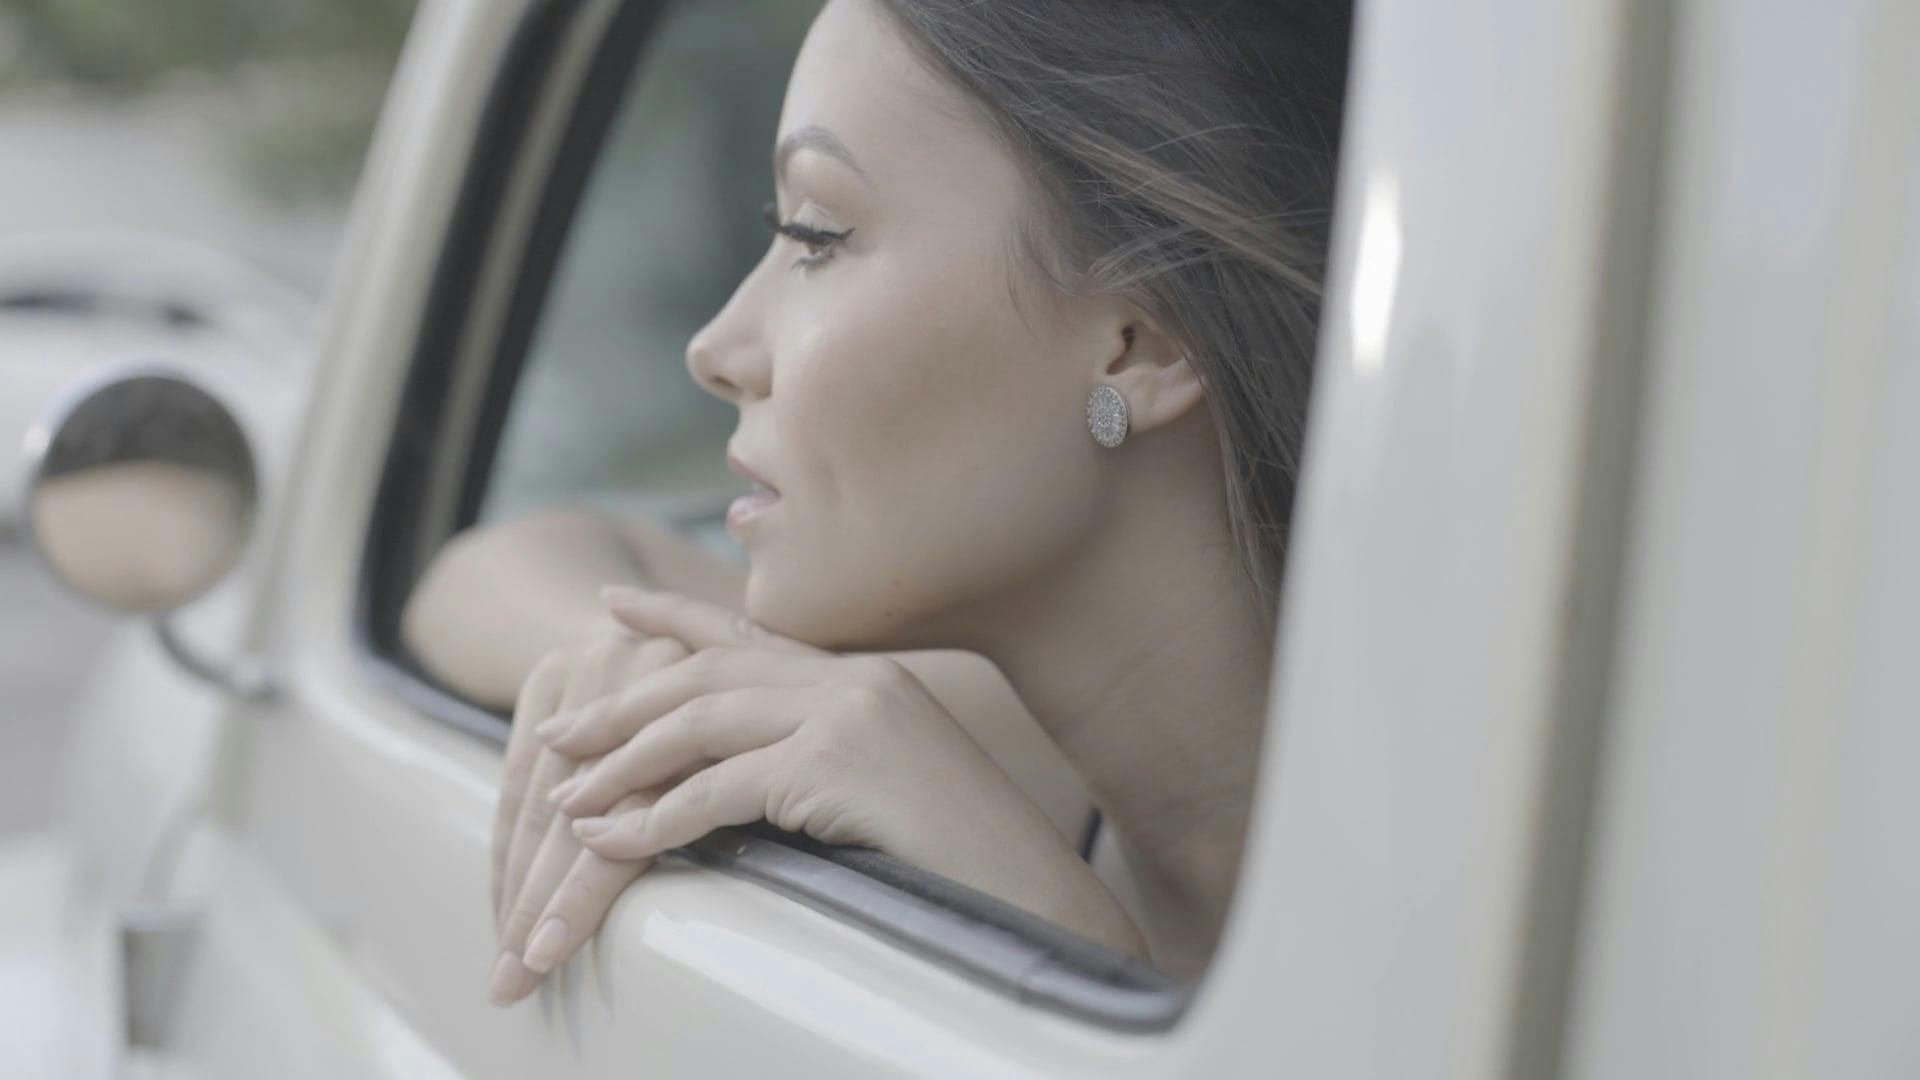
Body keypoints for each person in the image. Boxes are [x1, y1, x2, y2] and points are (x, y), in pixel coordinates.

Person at [405, 0, 1349, 1003]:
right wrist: (644, 689)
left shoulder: (1486, 933)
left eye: (816, 233)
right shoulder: (959, 728)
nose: (717, 349)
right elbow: (495, 569)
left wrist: (1047, 936)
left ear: (1140, 345)